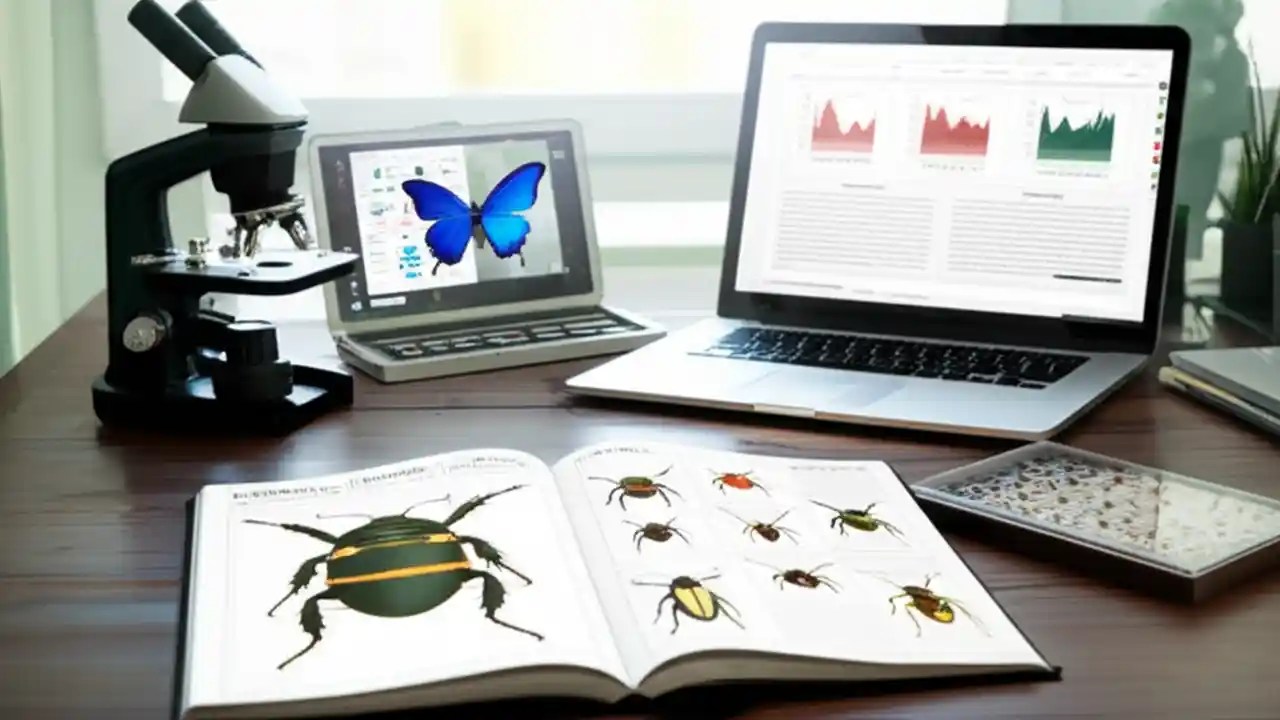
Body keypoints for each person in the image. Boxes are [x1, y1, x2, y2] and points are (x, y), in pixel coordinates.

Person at [1149, 0, 1250, 260]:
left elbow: (1230, 114)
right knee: (1182, 222)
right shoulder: (1223, 53)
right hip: (1185, 140)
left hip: (1197, 144)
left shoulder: (1230, 58)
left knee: (1189, 221)